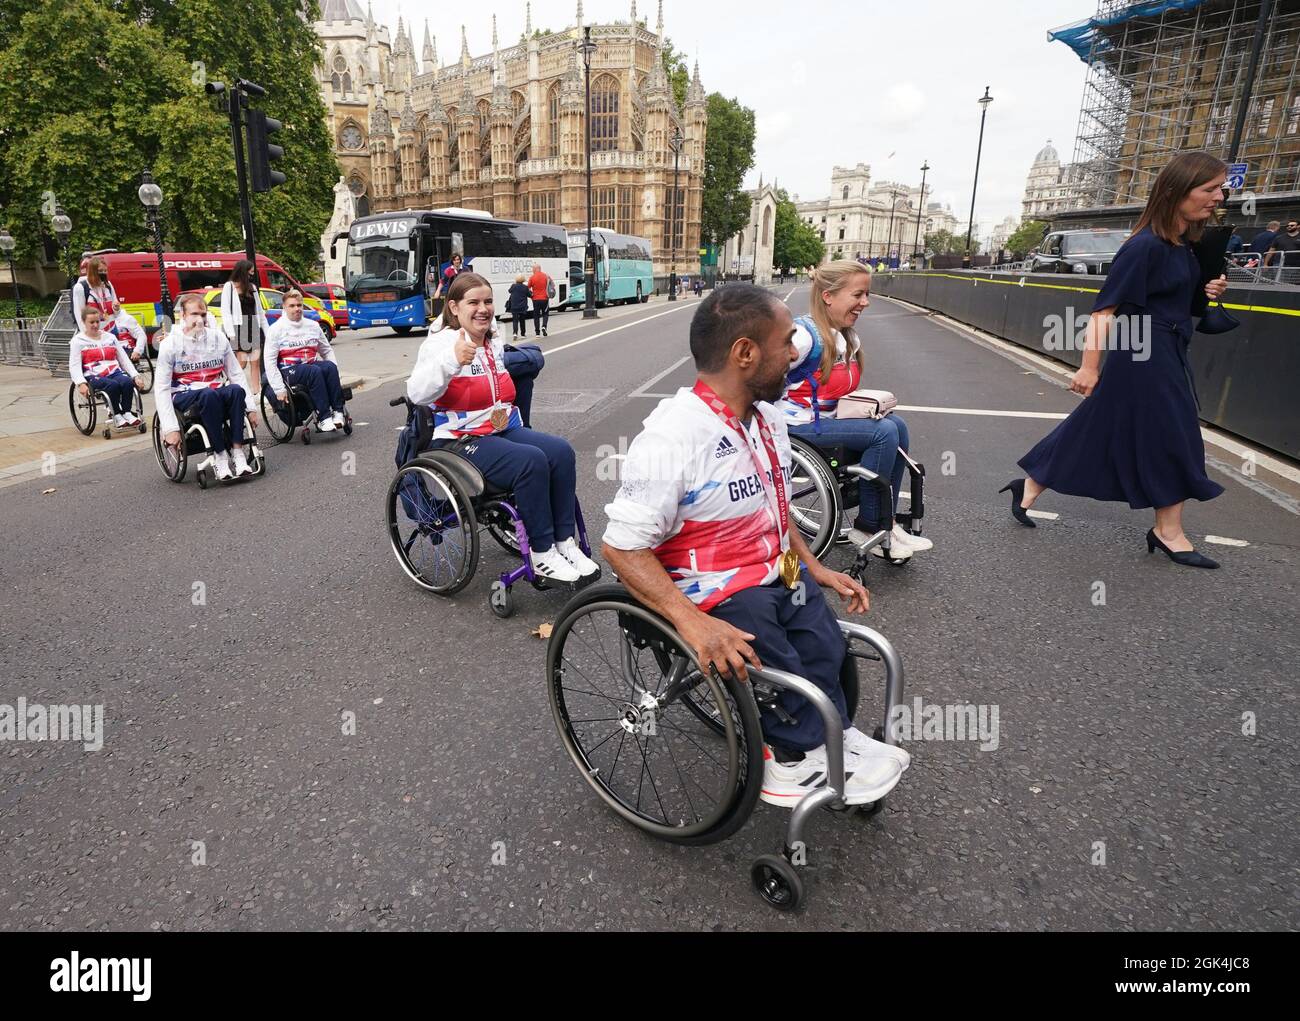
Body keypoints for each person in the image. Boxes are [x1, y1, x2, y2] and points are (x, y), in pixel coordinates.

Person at [602, 284, 908, 806]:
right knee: (777, 657)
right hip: (710, 586)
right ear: (745, 353)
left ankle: (833, 737)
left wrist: (814, 567)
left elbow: (774, 509)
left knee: (826, 643)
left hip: (774, 567)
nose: (796, 353)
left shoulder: (767, 420)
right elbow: (622, 548)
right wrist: (691, 621)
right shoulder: (673, 438)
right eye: (787, 342)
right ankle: (787, 758)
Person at [1006, 151, 1230, 568]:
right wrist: (1089, 366)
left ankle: (1030, 486)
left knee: (1102, 423)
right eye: (1209, 188)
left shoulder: (1184, 245)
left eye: (1221, 188)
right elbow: (1104, 310)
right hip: (1143, 351)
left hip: (1168, 348)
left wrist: (1207, 292)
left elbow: (1183, 304)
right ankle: (1168, 530)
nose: (1219, 196)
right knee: (1175, 435)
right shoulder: (1144, 246)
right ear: (1177, 191)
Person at [406, 271, 598, 583]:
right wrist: (451, 361)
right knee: (530, 462)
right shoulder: (441, 344)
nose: (483, 308)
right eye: (473, 302)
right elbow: (417, 393)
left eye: (488, 301)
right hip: (458, 439)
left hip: (500, 429)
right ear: (454, 307)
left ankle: (564, 542)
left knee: (561, 452)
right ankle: (542, 552)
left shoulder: (493, 338)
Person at [782, 260, 932, 559]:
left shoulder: (847, 337)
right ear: (828, 295)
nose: (865, 302)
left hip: (827, 421)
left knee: (897, 425)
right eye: (858, 295)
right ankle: (867, 524)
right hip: (795, 427)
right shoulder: (804, 336)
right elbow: (762, 375)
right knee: (883, 432)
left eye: (867, 295)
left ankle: (885, 520)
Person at [156, 292, 259, 481]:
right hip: (184, 394)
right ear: (183, 316)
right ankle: (220, 455)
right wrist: (170, 427)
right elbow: (161, 388)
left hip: (214, 390)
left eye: (203, 315)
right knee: (208, 394)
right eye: (194, 314)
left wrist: (251, 407)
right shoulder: (169, 344)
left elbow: (236, 374)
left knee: (236, 390)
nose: (199, 320)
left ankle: (237, 453)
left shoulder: (218, 338)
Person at [264, 289, 347, 432]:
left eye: (299, 305)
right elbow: (269, 361)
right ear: (284, 307)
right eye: (292, 306)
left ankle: (338, 412)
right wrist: (279, 389)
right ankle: (324, 417)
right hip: (288, 370)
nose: (297, 309)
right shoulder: (276, 329)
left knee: (329, 367)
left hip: (310, 364)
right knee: (313, 371)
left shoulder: (313, 326)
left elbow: (326, 350)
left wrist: (334, 373)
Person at [68, 305, 146, 428]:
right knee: (112, 386)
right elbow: (74, 365)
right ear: (84, 322)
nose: (95, 325)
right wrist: (80, 383)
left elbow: (124, 360)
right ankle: (116, 415)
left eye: (97, 321)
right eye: (91, 322)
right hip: (93, 375)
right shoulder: (78, 341)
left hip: (114, 372)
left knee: (127, 382)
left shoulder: (110, 337)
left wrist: (135, 375)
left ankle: (126, 413)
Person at [220, 260, 269, 403]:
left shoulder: (252, 287)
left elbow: (259, 311)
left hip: (253, 326)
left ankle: (256, 392)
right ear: (243, 272)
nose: (252, 275)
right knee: (241, 363)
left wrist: (267, 331)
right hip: (238, 328)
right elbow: (226, 312)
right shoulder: (229, 287)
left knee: (255, 362)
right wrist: (231, 334)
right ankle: (232, 387)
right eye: (251, 273)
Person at [527, 262, 552, 337]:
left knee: (536, 315)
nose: (532, 270)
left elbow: (528, 288)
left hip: (535, 299)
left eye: (533, 269)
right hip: (545, 298)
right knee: (545, 314)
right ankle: (544, 326)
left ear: (535, 269)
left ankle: (537, 333)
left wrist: (531, 295)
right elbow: (552, 285)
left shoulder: (532, 277)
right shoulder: (546, 276)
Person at [507, 273, 531, 338]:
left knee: (515, 320)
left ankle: (515, 333)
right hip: (522, 307)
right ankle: (523, 334)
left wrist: (514, 284)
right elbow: (530, 295)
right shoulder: (525, 287)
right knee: (522, 320)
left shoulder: (513, 286)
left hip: (514, 306)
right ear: (523, 279)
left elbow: (509, 291)